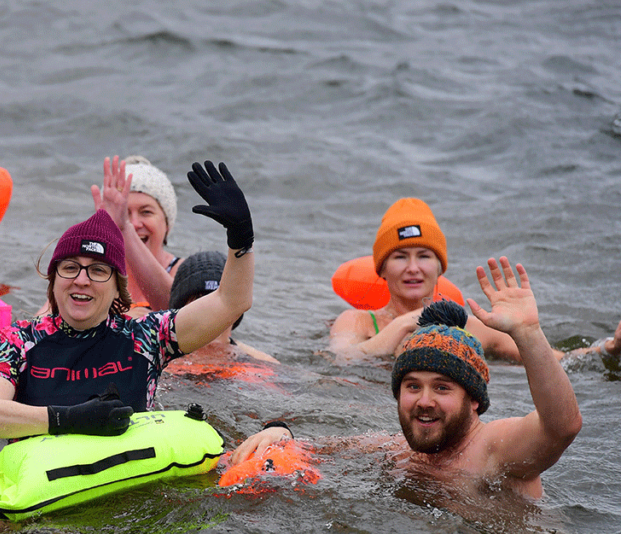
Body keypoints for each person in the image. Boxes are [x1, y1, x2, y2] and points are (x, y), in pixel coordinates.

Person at [235, 257, 583, 499]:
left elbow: (562, 427)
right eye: (412, 386)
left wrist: (528, 334)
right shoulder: (399, 450)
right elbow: (317, 449)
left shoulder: (495, 449)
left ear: (474, 399)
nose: (424, 400)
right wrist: (280, 430)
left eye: (442, 387)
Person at [0, 161, 256, 440]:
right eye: (70, 268)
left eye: (97, 270)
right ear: (53, 280)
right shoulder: (17, 341)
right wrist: (71, 419)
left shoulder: (147, 338)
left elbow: (231, 302)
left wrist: (241, 239)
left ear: (119, 288)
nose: (82, 279)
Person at [328, 197, 620, 362]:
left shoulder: (471, 328)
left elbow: (556, 360)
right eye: (400, 257)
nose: (413, 268)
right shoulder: (357, 323)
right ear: (381, 269)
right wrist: (406, 322)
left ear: (440, 268)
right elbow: (343, 360)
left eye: (425, 256)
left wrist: (608, 348)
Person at [91, 155, 184, 312]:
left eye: (146, 212)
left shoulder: (185, 273)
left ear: (167, 223)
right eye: (124, 213)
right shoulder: (90, 273)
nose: (134, 224)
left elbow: (183, 318)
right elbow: (40, 327)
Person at [169, 250, 277, 363]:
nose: (211, 314)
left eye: (221, 304)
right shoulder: (160, 361)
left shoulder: (261, 365)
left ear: (235, 315)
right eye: (200, 301)